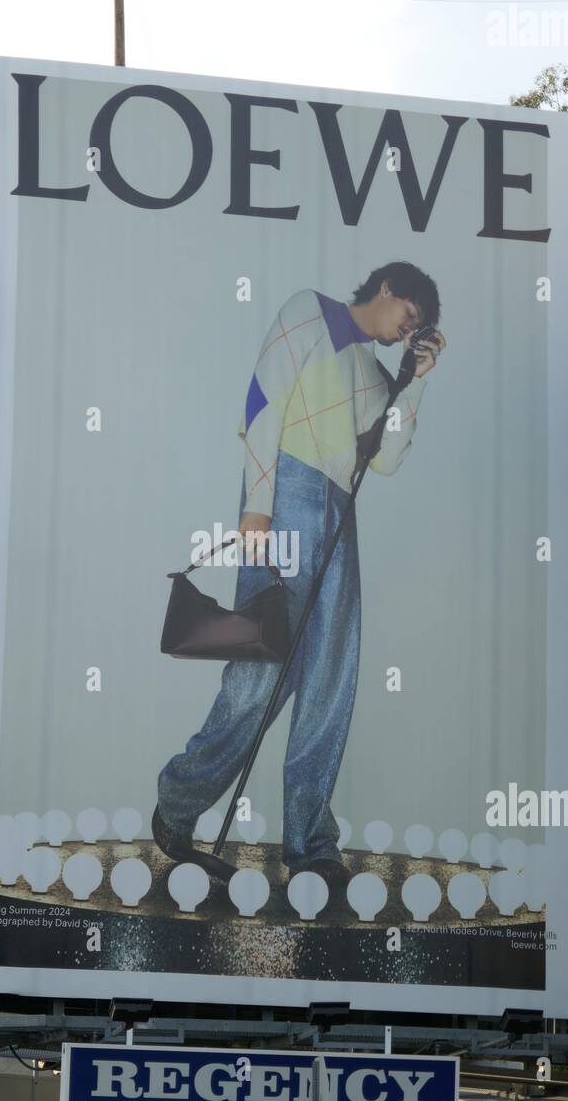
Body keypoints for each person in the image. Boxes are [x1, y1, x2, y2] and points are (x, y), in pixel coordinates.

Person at [153, 263, 446, 886]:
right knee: (261, 670)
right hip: (285, 493)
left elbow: (387, 458)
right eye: (410, 316)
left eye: (417, 329)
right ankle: (178, 803)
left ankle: (310, 840)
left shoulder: (374, 371)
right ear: (389, 288)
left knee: (330, 675)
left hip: (339, 512)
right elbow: (264, 401)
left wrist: (413, 383)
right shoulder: (309, 310)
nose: (406, 330)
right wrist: (256, 508)